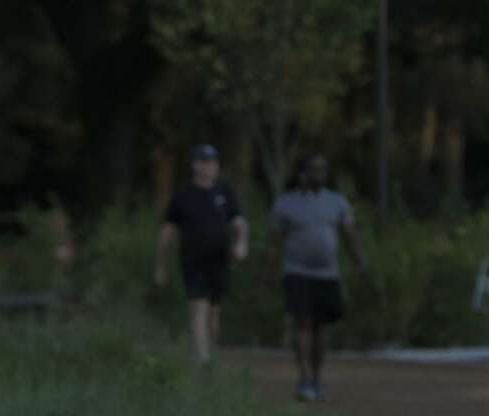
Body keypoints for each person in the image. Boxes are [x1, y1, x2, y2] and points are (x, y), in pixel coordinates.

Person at [267, 154, 367, 402]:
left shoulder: (337, 202)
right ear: (302, 173)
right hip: (296, 271)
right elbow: (275, 241)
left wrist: (358, 260)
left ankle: (317, 377)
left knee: (320, 327)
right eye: (314, 169)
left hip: (327, 273)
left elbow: (348, 233)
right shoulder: (286, 204)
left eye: (323, 169)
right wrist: (268, 271)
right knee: (302, 322)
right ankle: (304, 377)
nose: (319, 174)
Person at [154, 144, 249, 365]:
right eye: (204, 162)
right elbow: (167, 232)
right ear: (195, 165)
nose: (209, 167)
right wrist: (160, 265)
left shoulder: (224, 192)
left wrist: (241, 243)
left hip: (219, 260)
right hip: (193, 260)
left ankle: (209, 353)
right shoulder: (182, 195)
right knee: (198, 305)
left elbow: (239, 222)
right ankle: (202, 357)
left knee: (214, 314)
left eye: (213, 163)